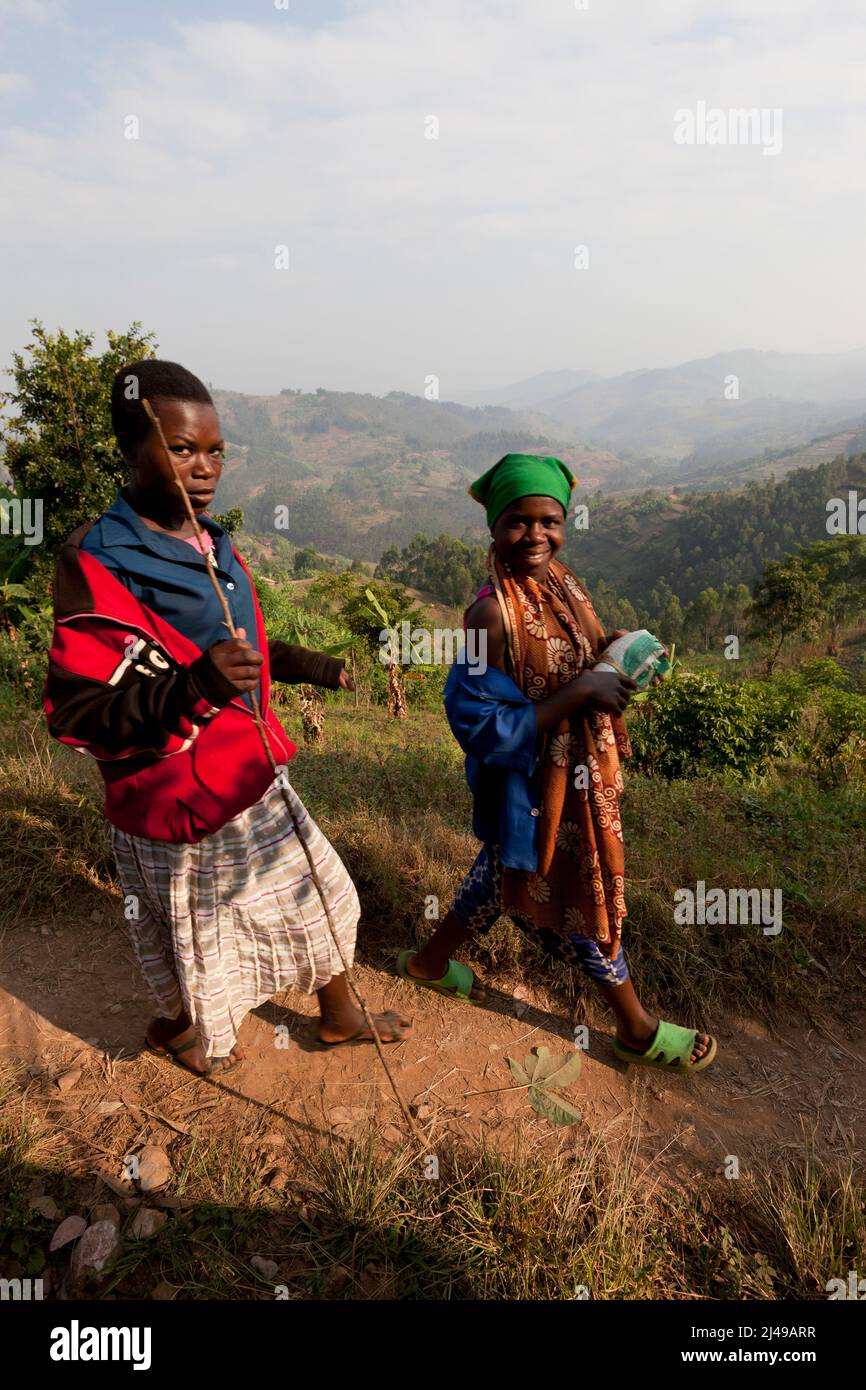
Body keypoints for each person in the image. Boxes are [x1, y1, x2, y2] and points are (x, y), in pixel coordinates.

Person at [44, 359, 410, 1074]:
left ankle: (338, 1015)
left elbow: (240, 643)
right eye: (181, 449)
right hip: (177, 792)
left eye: (215, 451)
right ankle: (189, 1032)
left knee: (325, 892)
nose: (204, 467)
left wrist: (310, 665)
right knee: (199, 933)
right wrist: (192, 690)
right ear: (131, 451)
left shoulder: (211, 540)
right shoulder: (100, 559)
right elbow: (81, 711)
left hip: (249, 766)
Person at [398, 453, 715, 1074]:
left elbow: (575, 655)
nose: (537, 535)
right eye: (520, 522)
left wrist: (613, 652)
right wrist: (577, 695)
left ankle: (428, 965)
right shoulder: (492, 615)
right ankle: (635, 1027)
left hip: (573, 779)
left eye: (550, 521)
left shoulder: (560, 583)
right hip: (537, 790)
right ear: (495, 527)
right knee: (579, 895)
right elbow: (475, 722)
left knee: (497, 873)